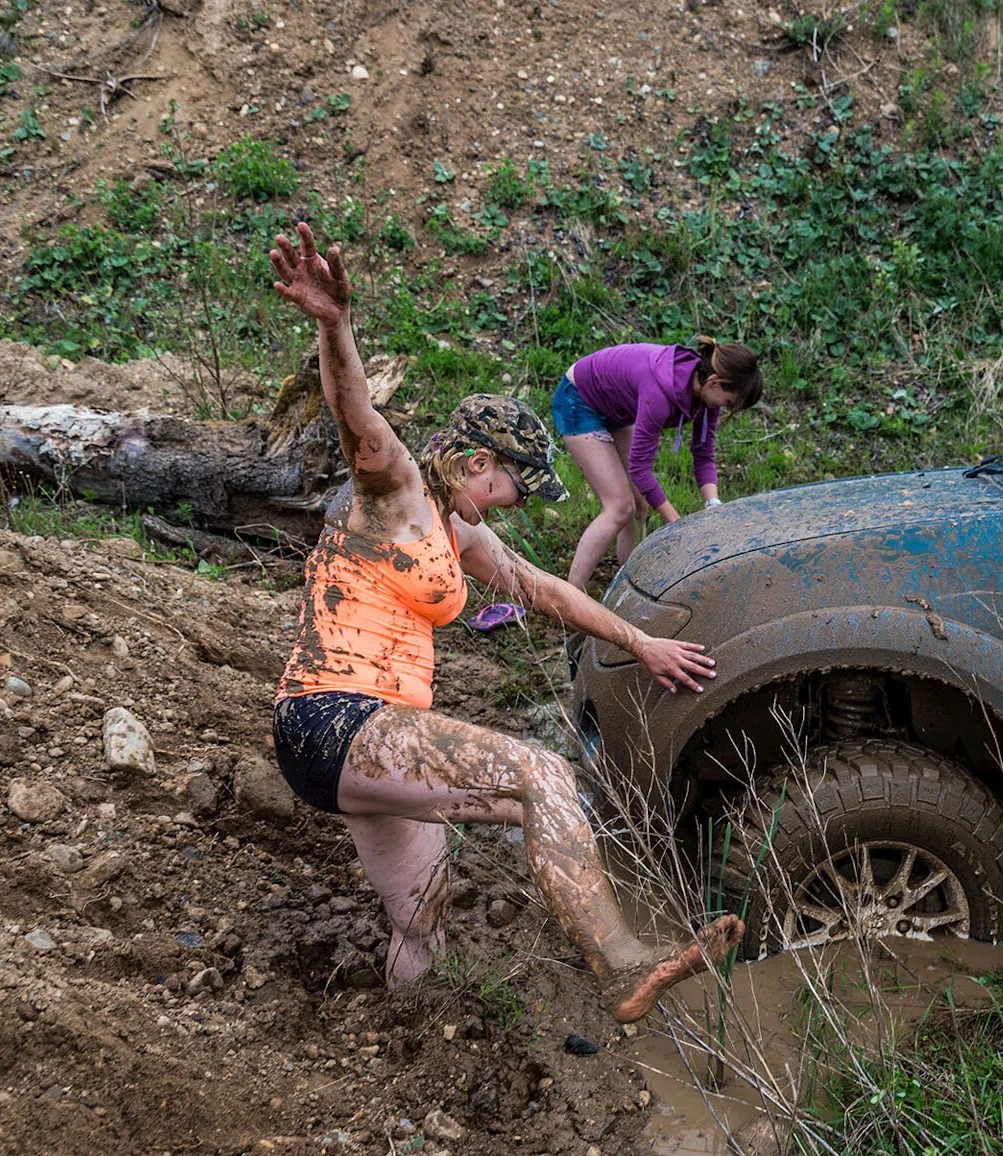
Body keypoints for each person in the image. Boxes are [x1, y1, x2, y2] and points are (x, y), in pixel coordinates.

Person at [267, 223, 743, 1021]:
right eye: (520, 488)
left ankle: (406, 1068)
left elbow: (543, 590)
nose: (520, 506)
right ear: (481, 464)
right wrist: (335, 326)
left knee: (422, 920)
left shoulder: (459, 532)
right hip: (334, 718)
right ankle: (622, 963)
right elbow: (353, 412)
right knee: (543, 774)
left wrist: (640, 641)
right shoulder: (399, 493)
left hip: (363, 742)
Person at [549, 339, 763, 595]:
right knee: (619, 507)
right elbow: (640, 469)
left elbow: (704, 455)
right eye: (728, 402)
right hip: (579, 400)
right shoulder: (661, 391)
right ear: (714, 381)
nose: (724, 408)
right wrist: (677, 523)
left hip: (616, 407)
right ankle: (567, 599)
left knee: (639, 504)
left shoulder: (707, 394)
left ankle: (627, 582)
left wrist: (713, 506)